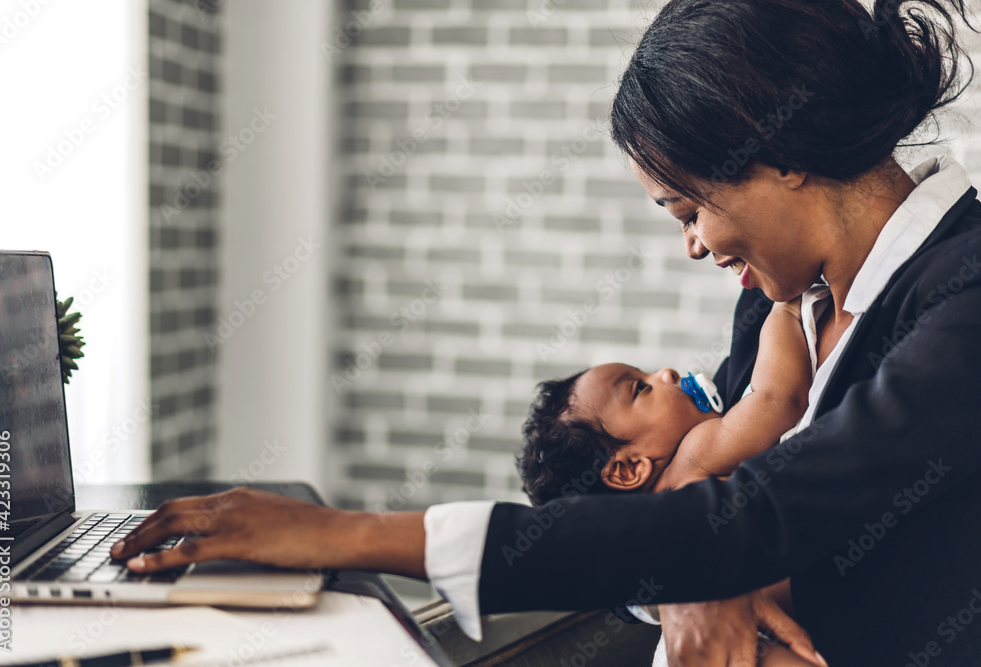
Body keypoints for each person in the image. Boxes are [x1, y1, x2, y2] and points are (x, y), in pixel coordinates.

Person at [110, 0, 981, 664]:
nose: (696, 246)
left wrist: (345, 533)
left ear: (782, 149)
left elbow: (756, 516)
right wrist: (692, 574)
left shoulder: (963, 296)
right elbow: (714, 498)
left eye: (688, 208)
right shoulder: (782, 301)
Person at [517, 297, 812, 506]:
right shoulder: (692, 461)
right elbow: (777, 398)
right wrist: (784, 309)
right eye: (641, 388)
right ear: (629, 469)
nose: (666, 373)